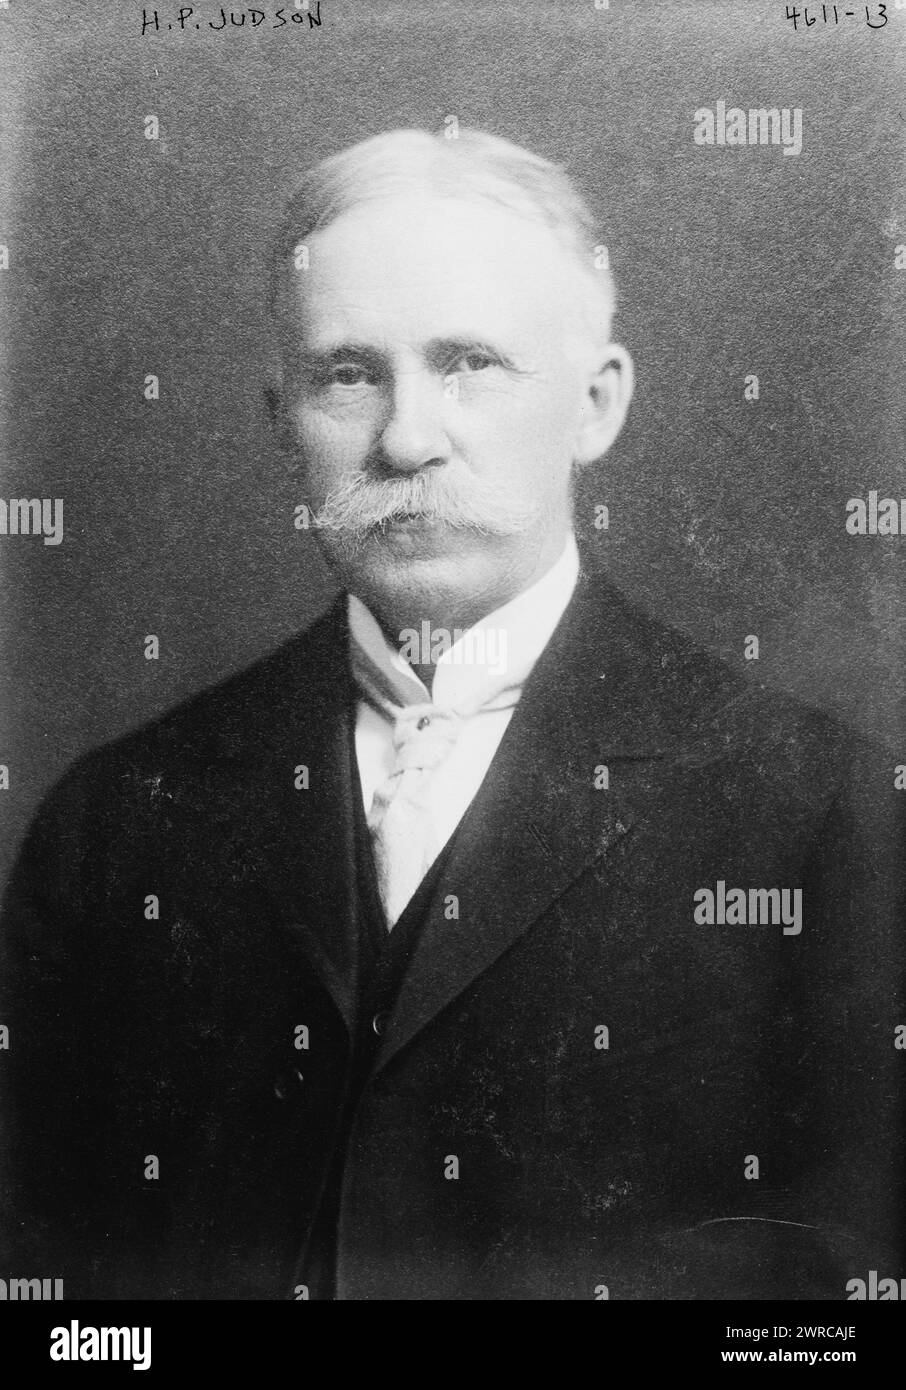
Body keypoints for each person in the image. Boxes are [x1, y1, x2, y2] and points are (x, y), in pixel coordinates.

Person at [1, 129, 902, 1300]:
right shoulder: (113, 820)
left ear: (595, 404)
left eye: (470, 362)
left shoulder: (825, 812)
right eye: (348, 374)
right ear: (282, 419)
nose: (407, 436)